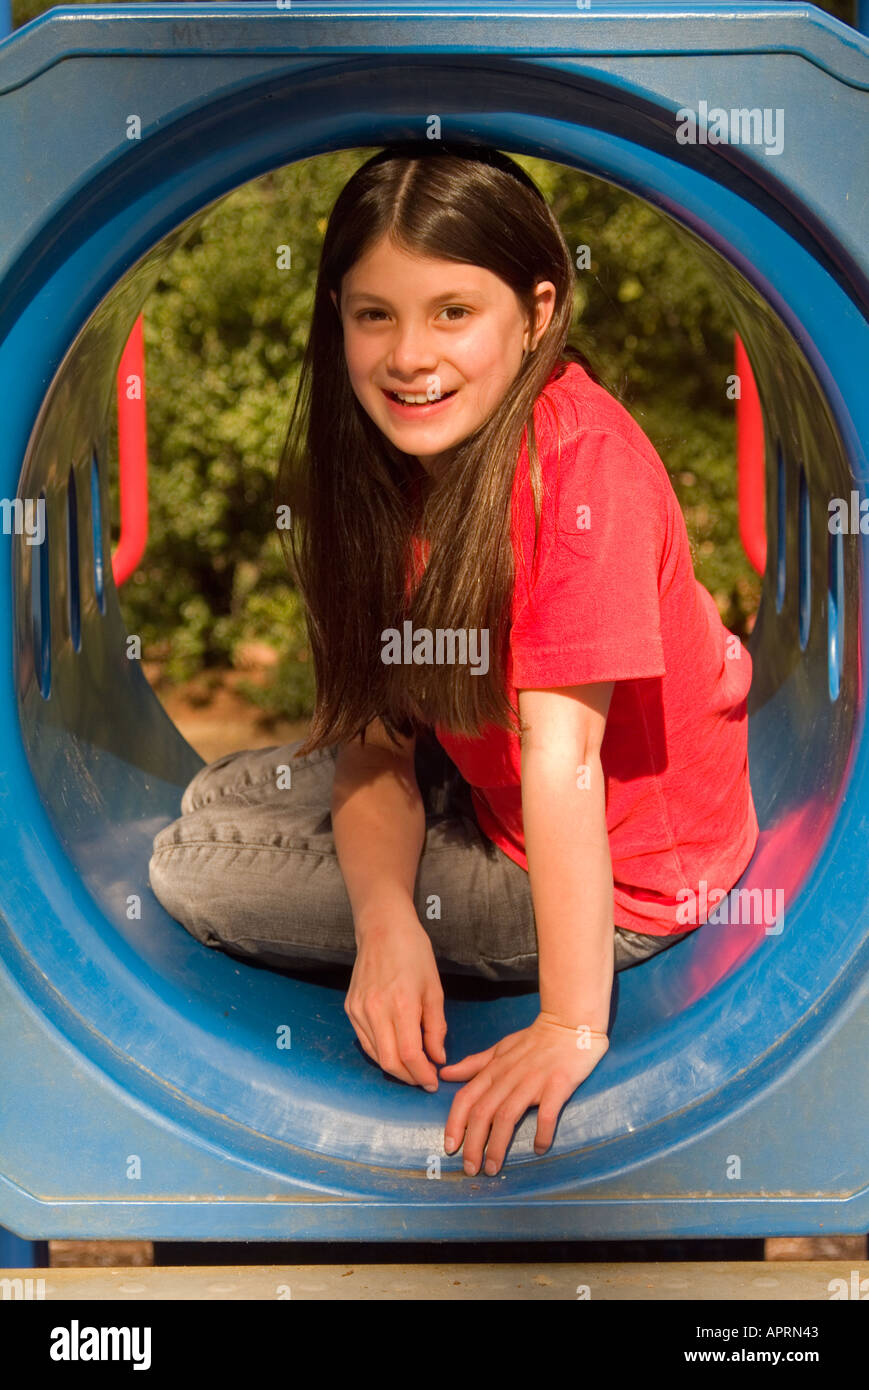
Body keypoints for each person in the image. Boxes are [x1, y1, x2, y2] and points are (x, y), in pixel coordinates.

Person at [149, 142, 759, 1178]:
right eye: (372, 313)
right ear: (334, 312)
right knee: (215, 791)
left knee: (185, 865)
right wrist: (386, 925)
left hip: (619, 880)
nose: (406, 355)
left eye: (450, 312)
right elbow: (377, 742)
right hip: (483, 794)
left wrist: (570, 1025)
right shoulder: (390, 471)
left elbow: (562, 763)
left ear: (534, 311)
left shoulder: (578, 469)